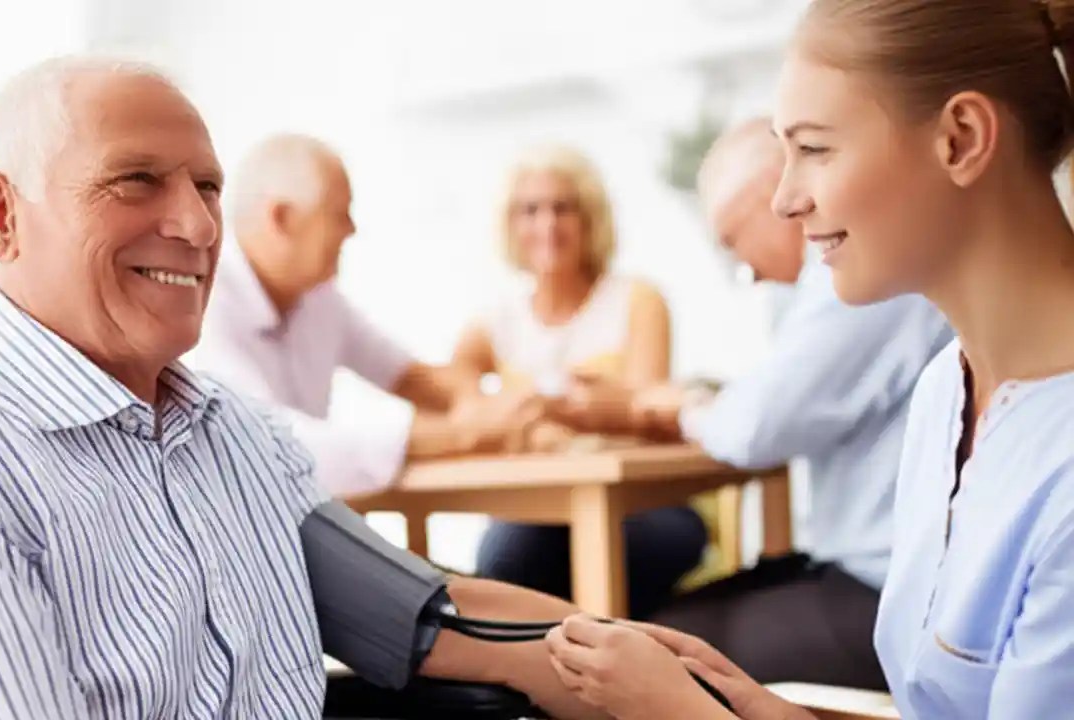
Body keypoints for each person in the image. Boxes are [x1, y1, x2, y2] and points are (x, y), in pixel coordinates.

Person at [0, 57, 603, 720]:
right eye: (136, 180)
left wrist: (633, 656)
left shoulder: (236, 434)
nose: (200, 225)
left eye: (208, 188)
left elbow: (419, 613)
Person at [547, 0, 1074, 717]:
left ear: (961, 138)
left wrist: (689, 711)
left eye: (815, 149)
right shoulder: (943, 397)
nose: (788, 199)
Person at [553, 117, 951, 690]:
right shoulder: (836, 280)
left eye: (734, 241)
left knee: (641, 654)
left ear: (773, 197)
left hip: (890, 597)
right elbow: (771, 402)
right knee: (635, 632)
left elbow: (757, 425)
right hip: (866, 574)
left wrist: (667, 408)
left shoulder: (867, 271)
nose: (752, 273)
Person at [197, 134, 561, 499]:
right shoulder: (204, 307)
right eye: (340, 214)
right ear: (283, 217)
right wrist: (465, 431)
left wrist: (492, 405)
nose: (351, 230)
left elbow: (411, 377)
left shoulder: (318, 299)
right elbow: (278, 445)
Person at [451, 145, 709, 620]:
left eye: (562, 208)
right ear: (511, 225)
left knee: (561, 557)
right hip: (538, 514)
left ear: (590, 218)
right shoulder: (493, 322)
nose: (547, 225)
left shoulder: (636, 300)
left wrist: (534, 419)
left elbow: (647, 415)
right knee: (507, 553)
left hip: (639, 509)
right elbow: (451, 404)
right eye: (530, 210)